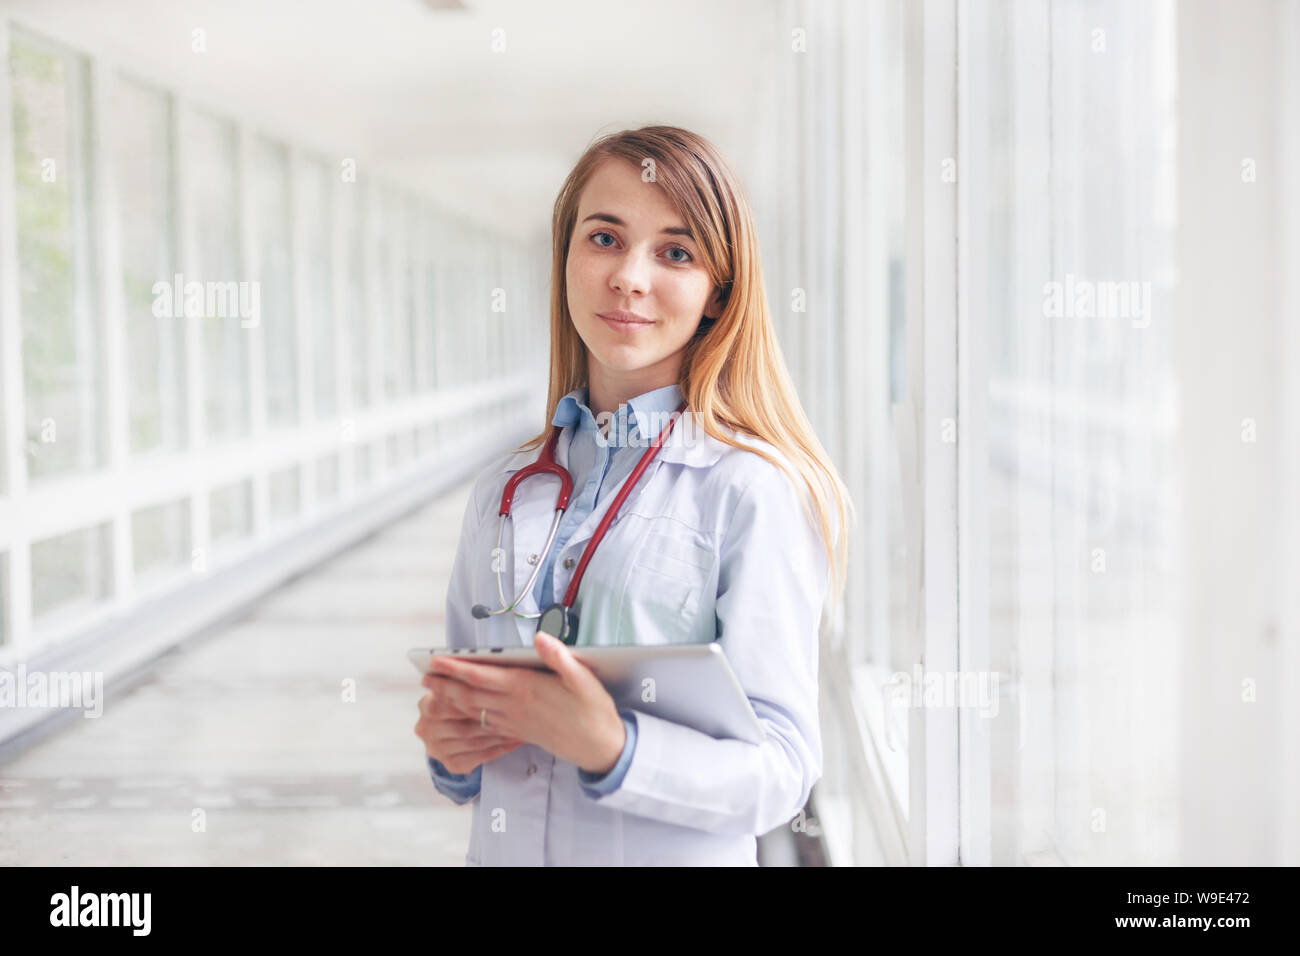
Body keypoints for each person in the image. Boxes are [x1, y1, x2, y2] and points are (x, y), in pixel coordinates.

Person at [413, 125, 852, 866]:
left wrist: (616, 748)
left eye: (675, 253)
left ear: (719, 293)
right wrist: (452, 751)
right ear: (566, 261)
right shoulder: (503, 490)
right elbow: (468, 711)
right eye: (605, 238)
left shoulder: (750, 492)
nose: (630, 277)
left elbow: (782, 771)